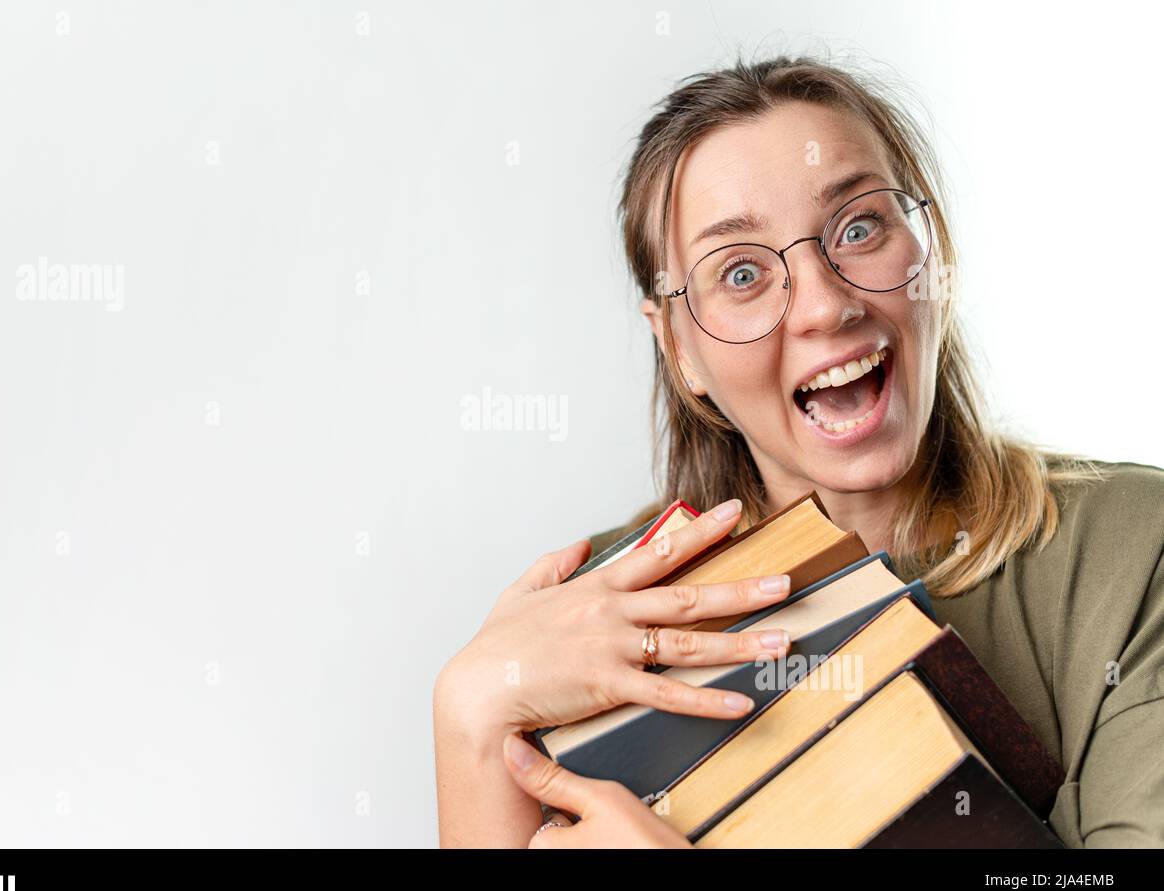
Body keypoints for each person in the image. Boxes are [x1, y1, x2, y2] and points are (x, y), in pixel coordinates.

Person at [432, 55, 1164, 849]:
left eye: (858, 227)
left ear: (931, 256)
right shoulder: (595, 613)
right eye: (741, 272)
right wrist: (466, 708)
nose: (824, 305)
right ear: (678, 347)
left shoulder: (1131, 553)